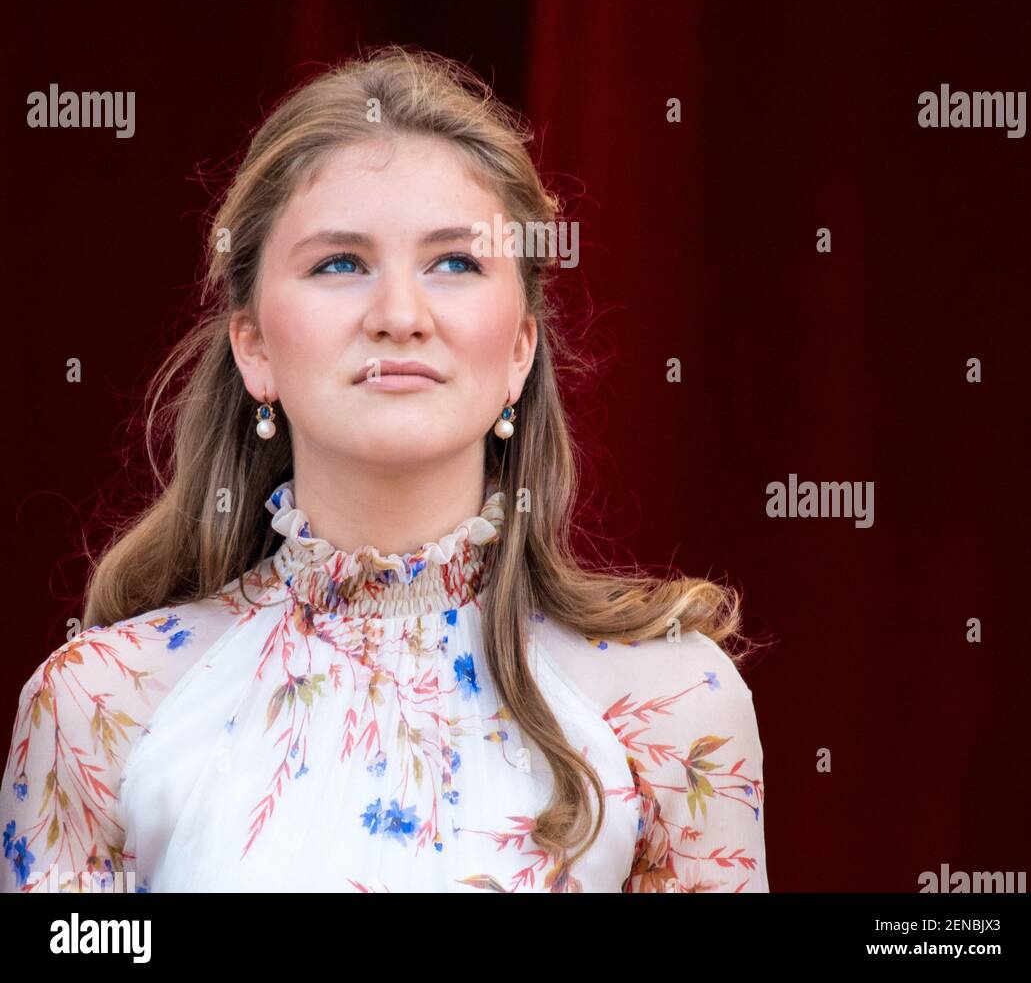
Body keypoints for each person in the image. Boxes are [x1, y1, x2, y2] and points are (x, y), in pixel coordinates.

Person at [0, 45, 769, 894]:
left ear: (520, 349)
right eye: (339, 263)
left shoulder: (673, 700)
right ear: (253, 347)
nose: (400, 316)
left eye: (454, 263)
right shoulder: (101, 705)